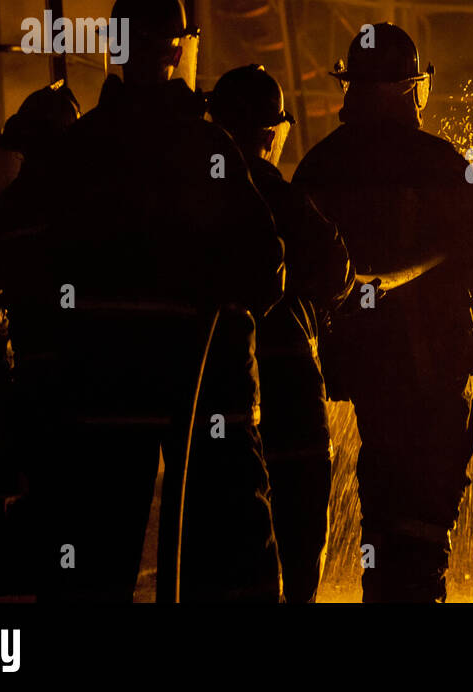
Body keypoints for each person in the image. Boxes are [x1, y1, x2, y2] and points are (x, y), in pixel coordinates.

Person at [25, 0, 285, 602]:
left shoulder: (78, 150)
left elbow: (43, 271)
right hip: (203, 394)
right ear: (178, 51)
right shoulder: (206, 148)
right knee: (232, 557)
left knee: (95, 564)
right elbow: (265, 267)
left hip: (100, 393)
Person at [294, 22, 473, 602]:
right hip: (431, 367)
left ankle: (384, 586)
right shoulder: (438, 163)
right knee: (427, 500)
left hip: (364, 374)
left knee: (385, 488)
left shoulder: (319, 167)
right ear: (405, 88)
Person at [208, 64, 354, 602]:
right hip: (288, 387)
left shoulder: (196, 196)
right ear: (272, 133)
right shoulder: (277, 194)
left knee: (227, 533)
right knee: (298, 520)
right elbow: (337, 270)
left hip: (218, 395)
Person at [0, 81, 81, 497]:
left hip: (31, 388)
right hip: (89, 388)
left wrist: (4, 388)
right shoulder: (89, 207)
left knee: (36, 511)